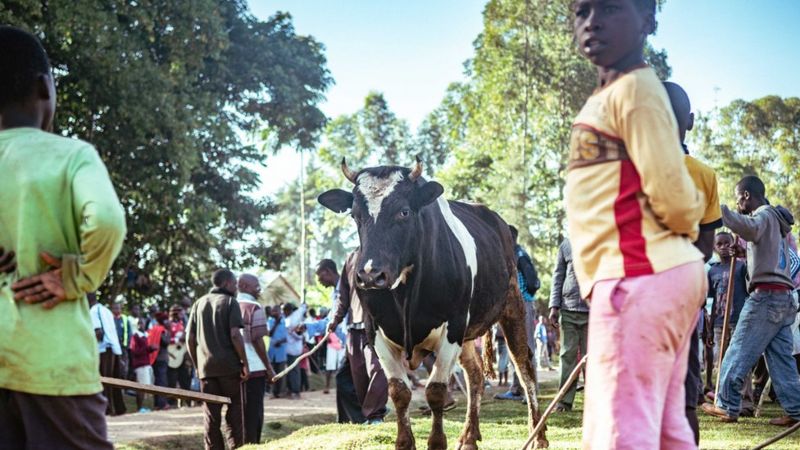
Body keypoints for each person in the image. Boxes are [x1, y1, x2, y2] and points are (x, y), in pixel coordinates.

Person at [568, 1, 707, 447]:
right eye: (581, 11)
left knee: (621, 432)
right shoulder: (615, 94)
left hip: (636, 275)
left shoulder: (635, 90)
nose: (593, 22)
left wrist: (682, 222)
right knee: (666, 428)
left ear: (648, 19)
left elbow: (673, 192)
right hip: (653, 275)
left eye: (609, 8)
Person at [0, 25, 126, 450]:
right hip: (54, 370)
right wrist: (75, 277)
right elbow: (107, 220)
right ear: (43, 88)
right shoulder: (71, 156)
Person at [701, 176, 800, 427]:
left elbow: (750, 228)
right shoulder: (778, 223)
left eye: (738, 197)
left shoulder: (764, 214)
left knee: (738, 348)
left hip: (765, 297)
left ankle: (726, 404)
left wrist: (720, 209)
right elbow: (766, 250)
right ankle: (796, 409)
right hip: (783, 297)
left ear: (746, 195)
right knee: (781, 359)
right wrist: (745, 253)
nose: (737, 203)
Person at [663, 80, 724, 444]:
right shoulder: (704, 175)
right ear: (692, 121)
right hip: (684, 298)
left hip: (639, 302)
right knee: (685, 394)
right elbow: (705, 246)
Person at [187, 269, 249, 450]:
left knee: (211, 417)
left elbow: (189, 339)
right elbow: (235, 335)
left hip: (207, 369)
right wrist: (244, 362)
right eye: (235, 284)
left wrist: (198, 366)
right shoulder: (230, 302)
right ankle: (237, 447)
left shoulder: (198, 303)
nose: (236, 288)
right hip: (230, 368)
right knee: (235, 414)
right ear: (227, 283)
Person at [328, 252, 389, 425]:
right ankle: (365, 415)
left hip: (379, 324)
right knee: (358, 374)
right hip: (354, 326)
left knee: (377, 368)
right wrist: (335, 318)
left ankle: (375, 414)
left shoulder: (386, 252)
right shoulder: (351, 258)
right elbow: (343, 293)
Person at [496, 225, 541, 401]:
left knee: (527, 345)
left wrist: (525, 297)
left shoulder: (520, 255)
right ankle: (516, 389)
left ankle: (531, 389)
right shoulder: (510, 254)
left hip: (524, 303)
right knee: (514, 346)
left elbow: (532, 281)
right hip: (512, 305)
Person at [549, 237, 588, 412]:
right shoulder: (566, 244)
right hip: (568, 309)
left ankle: (595, 402)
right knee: (567, 355)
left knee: (593, 358)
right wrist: (554, 307)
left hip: (593, 310)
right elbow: (558, 276)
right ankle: (564, 401)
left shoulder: (599, 237)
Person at [237, 273, 275, 444]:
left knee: (238, 411)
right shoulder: (254, 307)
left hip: (235, 368)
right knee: (253, 411)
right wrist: (268, 367)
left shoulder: (230, 305)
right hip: (254, 367)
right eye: (256, 286)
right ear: (244, 286)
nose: (259, 289)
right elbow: (258, 340)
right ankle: (252, 444)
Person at [90, 293, 126, 416]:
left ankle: (106, 409)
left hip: (103, 349)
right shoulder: (106, 310)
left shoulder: (93, 311)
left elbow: (98, 333)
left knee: (103, 381)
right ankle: (118, 408)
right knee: (113, 381)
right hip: (113, 349)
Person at [167, 304, 191, 407]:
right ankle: (171, 402)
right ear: (176, 313)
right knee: (171, 380)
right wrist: (177, 340)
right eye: (180, 312)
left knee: (184, 379)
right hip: (172, 355)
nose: (183, 314)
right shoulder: (168, 324)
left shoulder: (182, 323)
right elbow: (166, 339)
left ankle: (187, 401)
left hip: (181, 356)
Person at [148, 311, 171, 410]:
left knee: (157, 381)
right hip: (161, 359)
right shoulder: (162, 330)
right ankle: (162, 404)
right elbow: (166, 342)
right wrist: (169, 331)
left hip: (154, 358)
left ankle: (157, 404)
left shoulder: (153, 329)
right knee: (162, 381)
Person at [129, 318, 153, 412]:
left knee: (148, 387)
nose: (141, 325)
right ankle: (140, 408)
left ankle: (146, 407)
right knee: (141, 387)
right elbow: (135, 351)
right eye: (139, 323)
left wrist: (151, 349)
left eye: (142, 323)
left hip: (147, 364)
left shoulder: (147, 335)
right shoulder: (135, 336)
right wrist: (147, 348)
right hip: (140, 365)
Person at [267, 305, 289, 398]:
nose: (274, 313)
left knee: (281, 372)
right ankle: (273, 392)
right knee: (273, 372)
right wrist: (276, 323)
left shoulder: (285, 321)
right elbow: (269, 333)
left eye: (275, 311)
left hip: (282, 351)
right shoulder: (270, 321)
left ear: (280, 311)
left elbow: (288, 336)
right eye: (272, 311)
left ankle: (281, 392)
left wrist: (281, 341)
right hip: (272, 351)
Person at [112, 300, 134, 390]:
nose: (116, 310)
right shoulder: (109, 318)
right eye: (114, 308)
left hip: (123, 347)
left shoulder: (125, 319)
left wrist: (128, 344)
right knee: (114, 366)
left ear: (121, 309)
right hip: (113, 347)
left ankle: (123, 387)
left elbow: (129, 333)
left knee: (124, 367)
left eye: (118, 308)